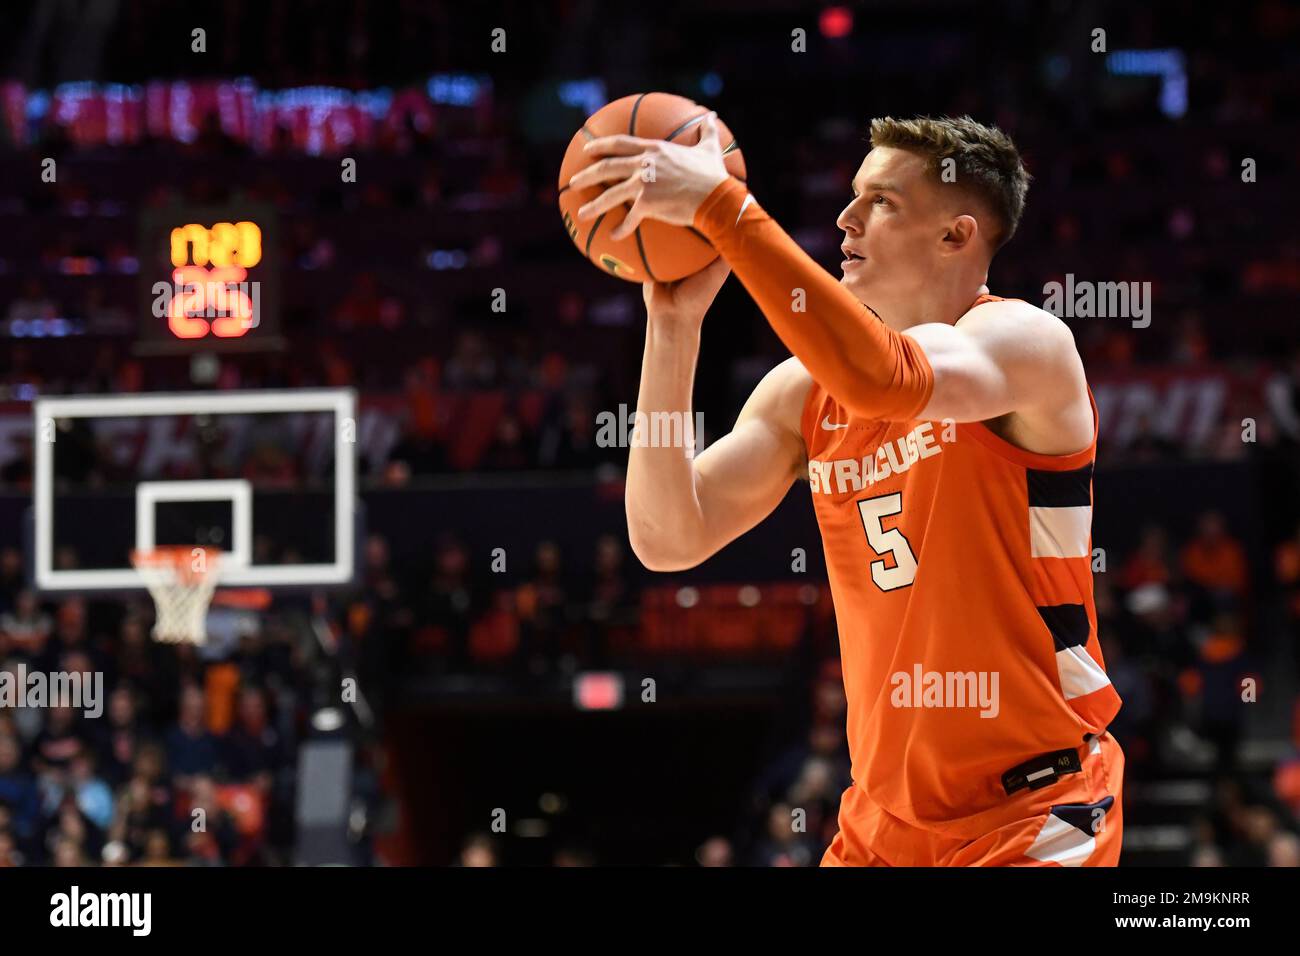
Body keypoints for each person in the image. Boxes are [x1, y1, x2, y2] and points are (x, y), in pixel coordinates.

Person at [569, 111, 1123, 866]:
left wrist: (724, 209)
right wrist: (673, 328)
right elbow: (668, 537)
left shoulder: (1027, 344)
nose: (845, 218)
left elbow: (889, 376)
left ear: (956, 236)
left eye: (881, 202)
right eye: (853, 195)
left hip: (1032, 812)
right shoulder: (804, 393)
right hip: (881, 824)